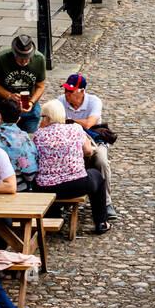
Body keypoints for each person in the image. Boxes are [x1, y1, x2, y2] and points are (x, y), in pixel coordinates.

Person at [33, 99, 109, 234]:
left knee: (37, 179)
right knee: (96, 175)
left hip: (46, 187)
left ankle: (54, 214)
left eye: (42, 117)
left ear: (48, 118)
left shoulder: (39, 135)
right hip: (76, 184)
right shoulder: (75, 129)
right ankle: (101, 221)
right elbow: (87, 151)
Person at [59, 72, 117, 220]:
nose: (66, 95)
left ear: (82, 91)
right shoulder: (60, 101)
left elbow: (90, 123)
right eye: (65, 90)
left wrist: (69, 120)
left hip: (93, 140)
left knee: (101, 160)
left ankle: (106, 203)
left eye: (70, 92)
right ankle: (59, 201)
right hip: (69, 142)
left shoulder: (94, 101)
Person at [0, 33, 47, 135]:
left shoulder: (39, 59)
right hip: (7, 108)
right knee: (7, 138)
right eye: (21, 57)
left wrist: (31, 102)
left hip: (29, 108)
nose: (24, 61)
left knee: (29, 139)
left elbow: (40, 86)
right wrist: (9, 95)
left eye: (27, 57)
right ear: (14, 53)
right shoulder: (2, 58)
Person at [0, 99, 39, 189]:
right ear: (18, 119)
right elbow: (30, 173)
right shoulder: (24, 138)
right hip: (18, 186)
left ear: (0, 116)